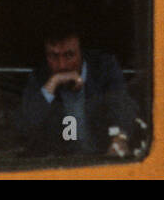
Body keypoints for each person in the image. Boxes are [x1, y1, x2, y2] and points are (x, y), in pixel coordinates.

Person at [18, 24, 139, 157]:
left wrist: (119, 139)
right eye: (54, 56)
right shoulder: (40, 77)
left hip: (102, 161)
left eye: (69, 55)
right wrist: (53, 83)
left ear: (82, 52)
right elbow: (25, 127)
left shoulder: (103, 68)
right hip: (61, 166)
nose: (62, 65)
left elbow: (121, 106)